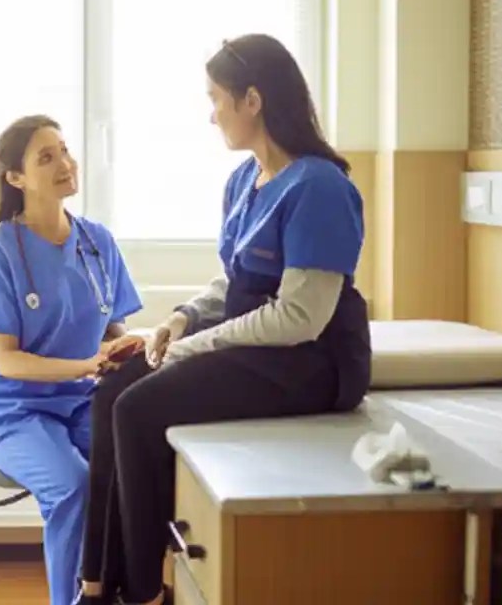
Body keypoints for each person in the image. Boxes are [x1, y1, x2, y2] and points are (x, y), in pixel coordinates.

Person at [86, 34, 372, 605]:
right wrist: (180, 321)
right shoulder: (245, 182)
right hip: (257, 349)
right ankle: (95, 585)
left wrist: (197, 349)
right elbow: (235, 282)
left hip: (312, 363)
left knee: (138, 407)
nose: (210, 111)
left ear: (253, 100)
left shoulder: (319, 187)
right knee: (110, 392)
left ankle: (143, 591)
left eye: (216, 97)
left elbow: (299, 317)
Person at [0, 115, 144, 605]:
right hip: (12, 409)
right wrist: (87, 365)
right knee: (73, 487)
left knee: (136, 468)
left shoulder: (97, 242)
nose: (65, 163)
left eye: (64, 150)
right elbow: (6, 362)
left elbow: (113, 326)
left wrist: (125, 349)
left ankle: (124, 590)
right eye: (46, 157)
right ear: (15, 179)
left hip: (82, 401)